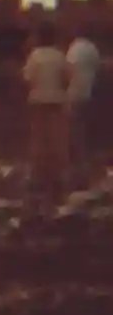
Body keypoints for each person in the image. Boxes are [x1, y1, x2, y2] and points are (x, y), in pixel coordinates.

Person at [21, 23, 71, 211]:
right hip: (57, 100)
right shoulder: (60, 56)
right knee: (58, 139)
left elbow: (27, 78)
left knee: (39, 139)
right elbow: (68, 77)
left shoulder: (35, 56)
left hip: (38, 101)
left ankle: (39, 175)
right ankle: (58, 175)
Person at [66, 28, 100, 186]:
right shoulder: (92, 49)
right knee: (82, 127)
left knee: (72, 128)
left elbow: (68, 70)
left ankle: (76, 161)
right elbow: (97, 68)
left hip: (73, 93)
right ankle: (83, 159)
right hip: (88, 92)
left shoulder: (75, 48)